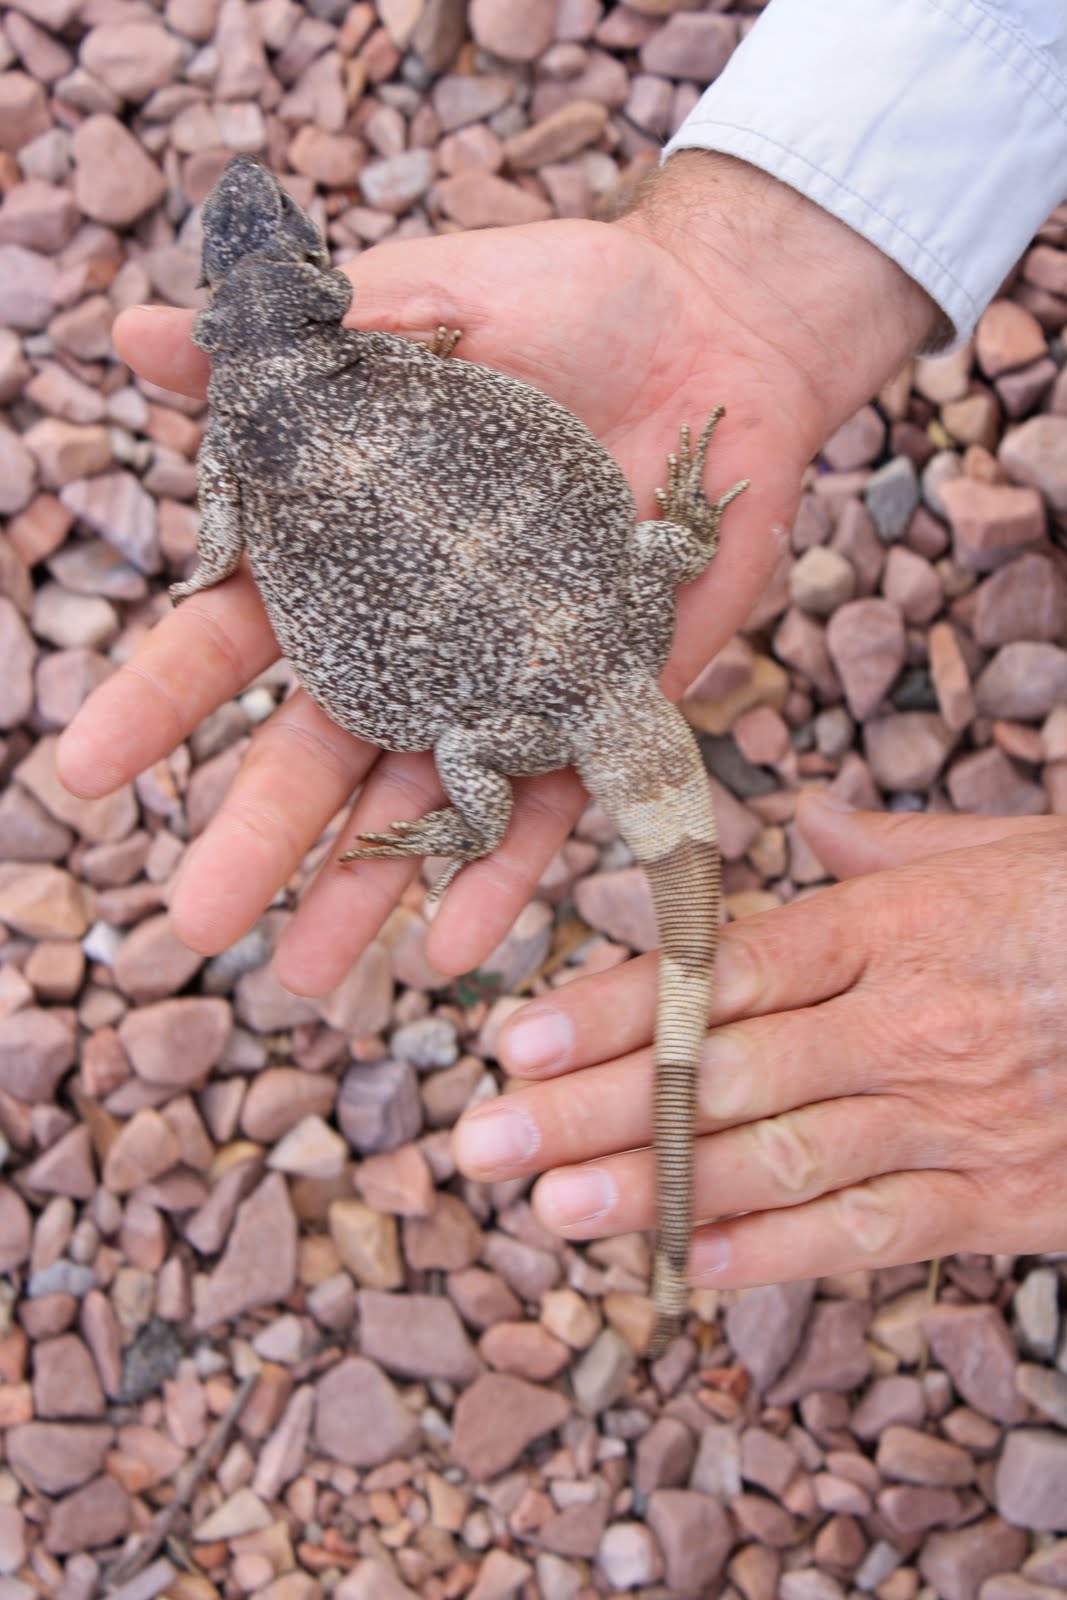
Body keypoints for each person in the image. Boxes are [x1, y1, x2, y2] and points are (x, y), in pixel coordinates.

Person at [59, 1, 1067, 1290]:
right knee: (640, 560)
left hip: (522, 710)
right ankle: (669, 553)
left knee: (471, 757)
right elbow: (435, 360)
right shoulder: (383, 349)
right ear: (320, 280)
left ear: (215, 331)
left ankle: (468, 821)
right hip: (618, 609)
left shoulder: (235, 445)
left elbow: (211, 558)